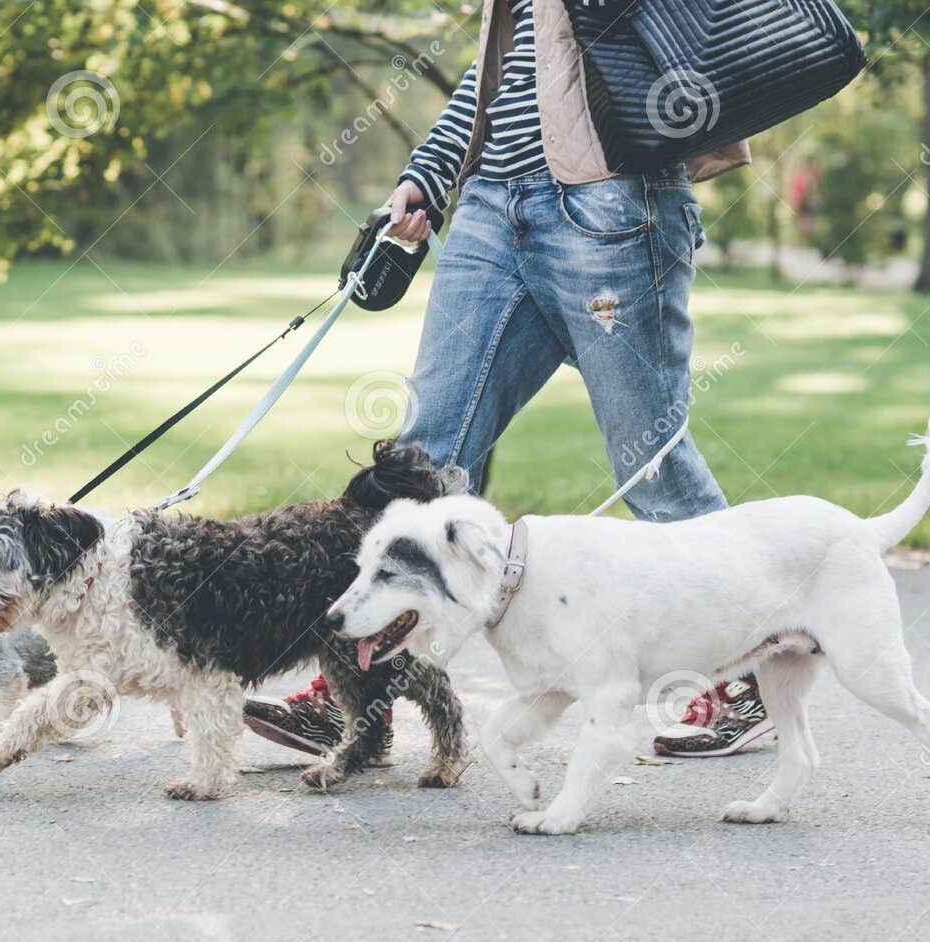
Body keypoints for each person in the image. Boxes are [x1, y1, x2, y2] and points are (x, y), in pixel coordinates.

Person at [242, 0, 774, 762]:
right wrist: (428, 170)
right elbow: (508, 65)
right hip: (493, 205)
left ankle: (746, 670)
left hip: (611, 201)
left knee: (650, 460)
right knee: (423, 455)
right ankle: (357, 697)